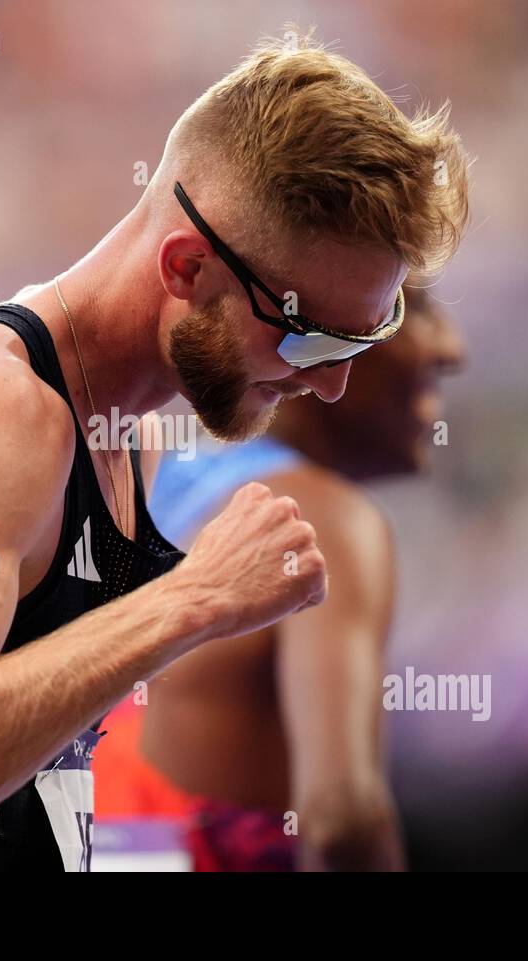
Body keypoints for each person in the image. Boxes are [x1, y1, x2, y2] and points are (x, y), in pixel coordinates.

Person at [0, 30, 469, 871]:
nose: (329, 386)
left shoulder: (129, 448)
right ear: (186, 269)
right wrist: (192, 600)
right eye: (311, 341)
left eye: (365, 341)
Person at [130, 285, 465, 871]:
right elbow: (339, 819)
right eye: (427, 373)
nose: (434, 409)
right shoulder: (324, 518)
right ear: (333, 361)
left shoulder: (163, 488)